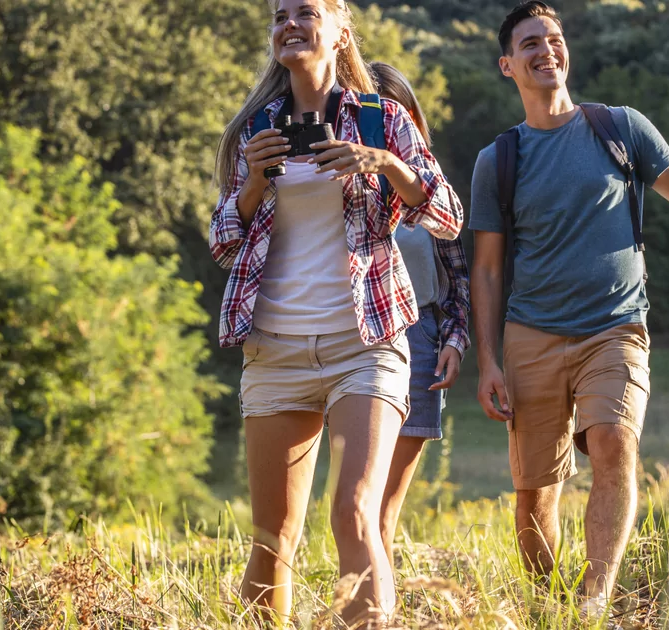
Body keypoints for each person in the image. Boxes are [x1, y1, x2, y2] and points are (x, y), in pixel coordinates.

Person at [209, 0, 463, 625]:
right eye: (279, 15)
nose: (289, 23)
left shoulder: (383, 120)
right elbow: (221, 241)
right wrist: (253, 184)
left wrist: (385, 163)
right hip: (275, 351)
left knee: (352, 509)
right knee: (272, 537)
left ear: (340, 28)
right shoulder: (257, 130)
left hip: (365, 344)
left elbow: (449, 217)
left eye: (306, 11)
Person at [467, 1, 669, 617]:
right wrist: (488, 362)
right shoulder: (498, 160)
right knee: (534, 496)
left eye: (553, 39)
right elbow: (488, 269)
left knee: (612, 440)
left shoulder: (620, 127)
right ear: (508, 65)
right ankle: (551, 606)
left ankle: (595, 596)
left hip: (615, 327)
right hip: (531, 336)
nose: (546, 51)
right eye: (530, 44)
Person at [368, 61, 471, 570]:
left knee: (384, 511)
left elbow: (455, 270)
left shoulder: (431, 189)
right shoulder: (339, 187)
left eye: (399, 114)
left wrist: (456, 338)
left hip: (423, 336)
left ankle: (378, 613)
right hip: (359, 338)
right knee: (358, 503)